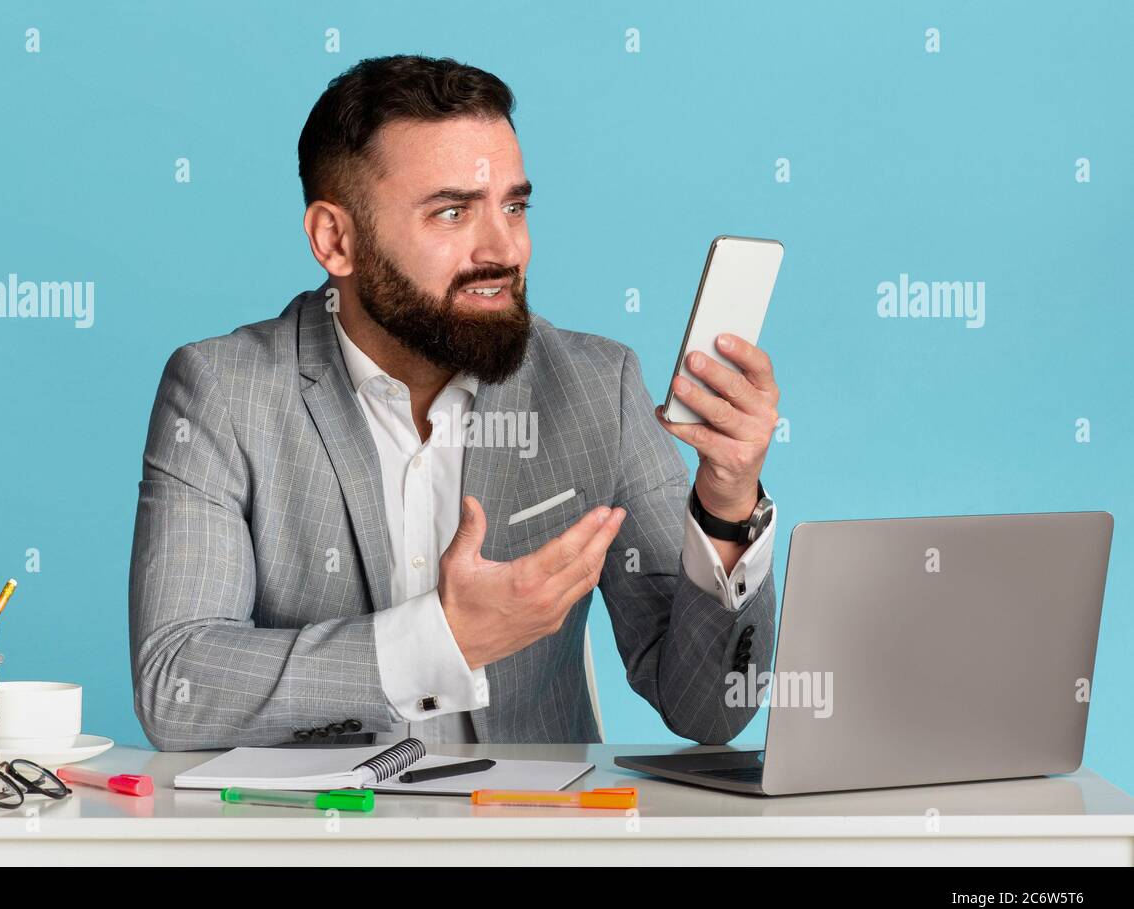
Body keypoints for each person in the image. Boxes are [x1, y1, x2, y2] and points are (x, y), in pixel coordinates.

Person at [129, 55, 781, 750]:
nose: (504, 249)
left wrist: (727, 503)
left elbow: (710, 711)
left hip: (529, 839)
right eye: (452, 212)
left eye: (515, 205)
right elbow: (179, 686)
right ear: (335, 239)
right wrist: (439, 641)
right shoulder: (224, 391)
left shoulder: (597, 386)